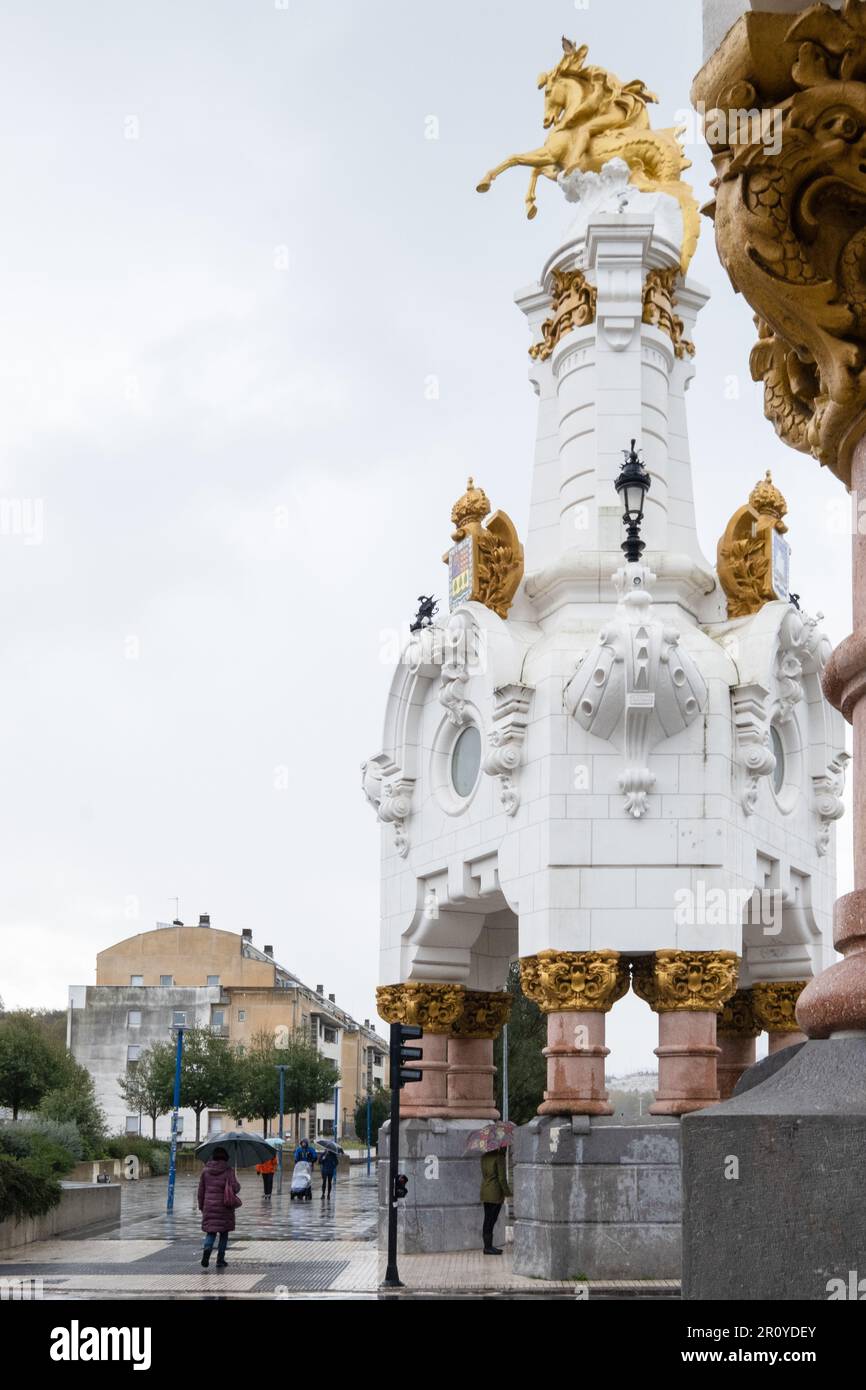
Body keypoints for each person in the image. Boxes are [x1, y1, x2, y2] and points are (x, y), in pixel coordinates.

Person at [197, 1146, 241, 1269]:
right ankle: (220, 1260)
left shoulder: (205, 1171)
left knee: (210, 1232)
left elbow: (201, 1191)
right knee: (223, 1233)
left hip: (209, 1206)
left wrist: (201, 1206)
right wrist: (236, 1181)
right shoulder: (228, 1171)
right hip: (225, 1207)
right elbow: (235, 1189)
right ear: (226, 1157)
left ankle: (207, 1249)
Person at [479, 1140, 511, 1255]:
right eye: (505, 1145)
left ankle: (487, 1246)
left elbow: (485, 1174)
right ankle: (488, 1247)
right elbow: (502, 1178)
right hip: (495, 1193)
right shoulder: (499, 1157)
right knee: (491, 1220)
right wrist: (508, 1193)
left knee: (487, 1219)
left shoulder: (484, 1156)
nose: (506, 1147)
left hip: (485, 1191)